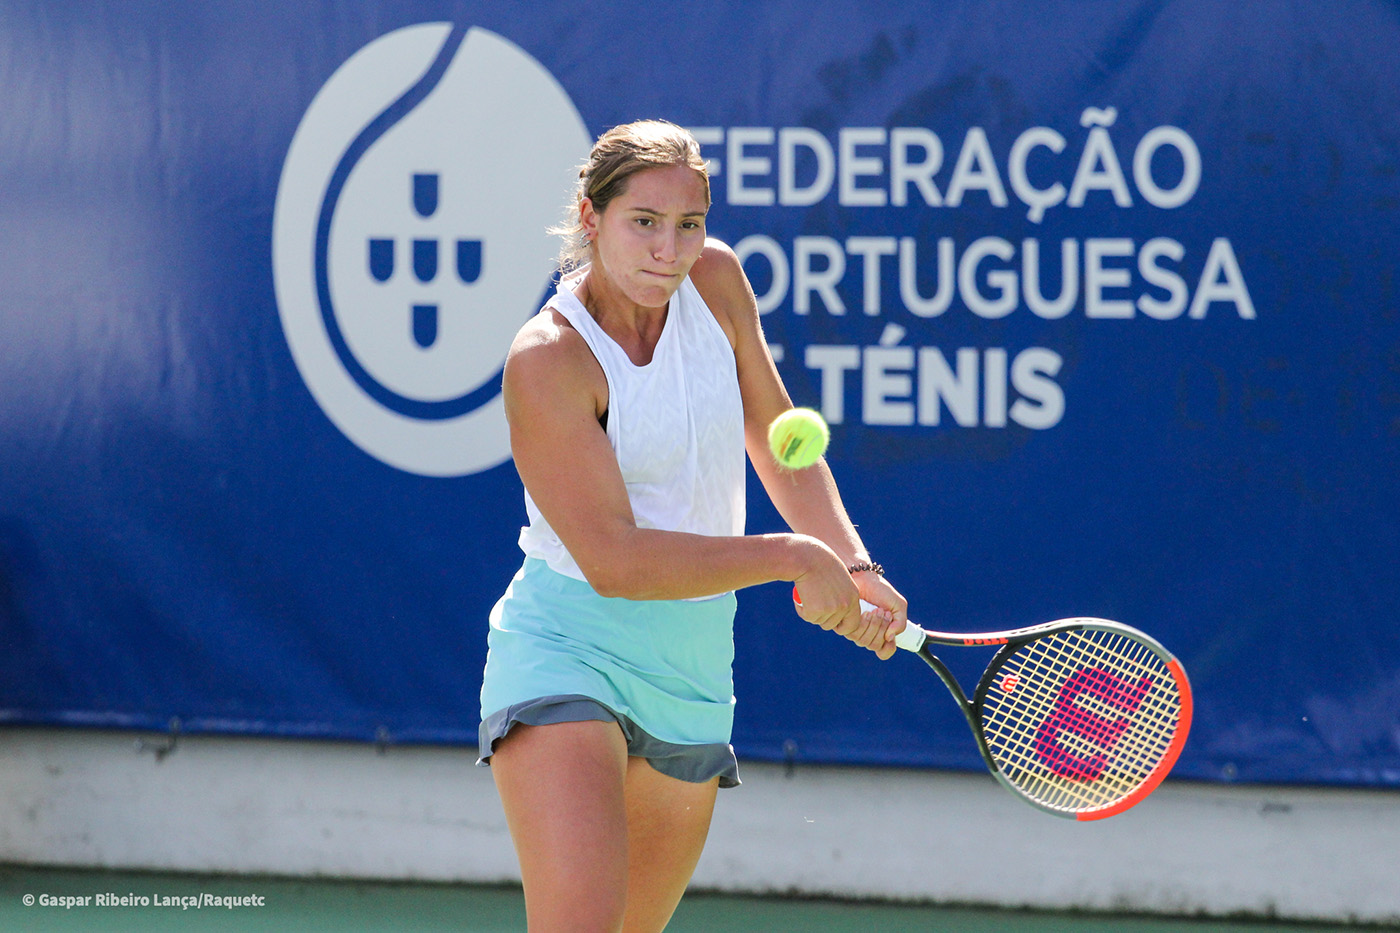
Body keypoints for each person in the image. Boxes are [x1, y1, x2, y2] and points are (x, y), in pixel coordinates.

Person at [477, 119, 907, 932]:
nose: (668, 250)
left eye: (689, 224)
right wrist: (793, 556)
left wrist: (852, 564)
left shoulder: (716, 280)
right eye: (644, 221)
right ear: (592, 216)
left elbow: (776, 435)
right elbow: (614, 561)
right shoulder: (549, 358)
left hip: (694, 668)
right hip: (569, 647)